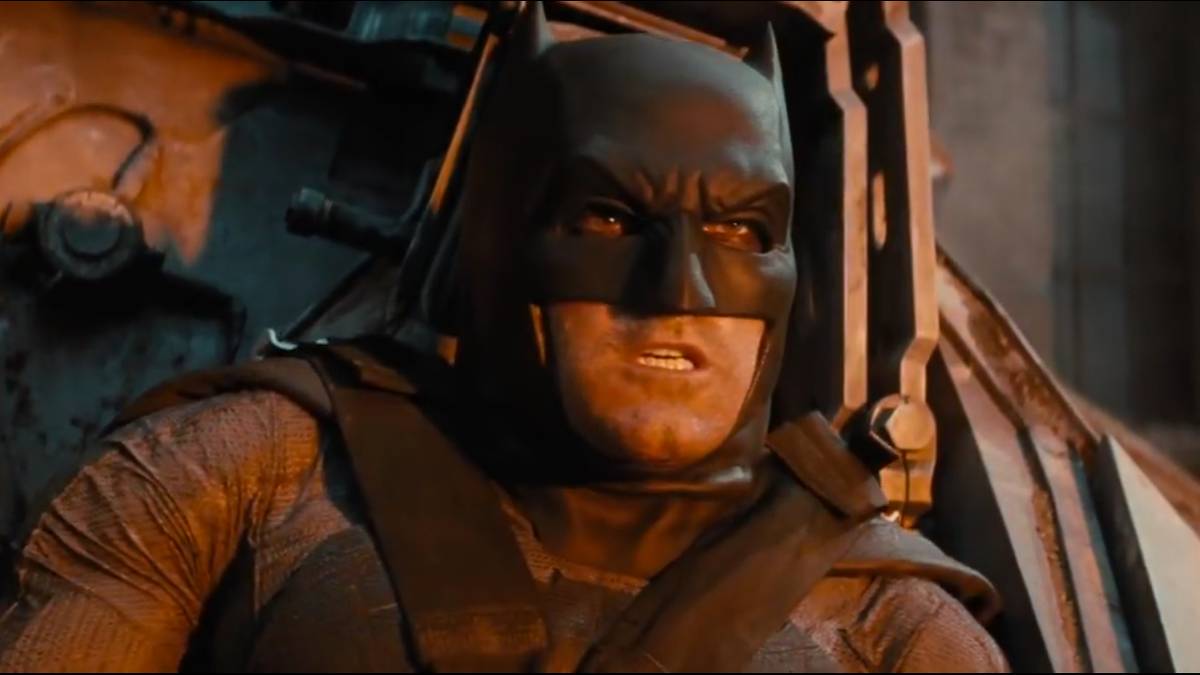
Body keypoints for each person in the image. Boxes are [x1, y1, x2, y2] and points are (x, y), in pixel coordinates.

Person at [0, 5, 1008, 672]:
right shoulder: (241, 473)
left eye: (743, 233)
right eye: (609, 219)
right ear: (497, 244)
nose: (681, 293)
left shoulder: (897, 626)